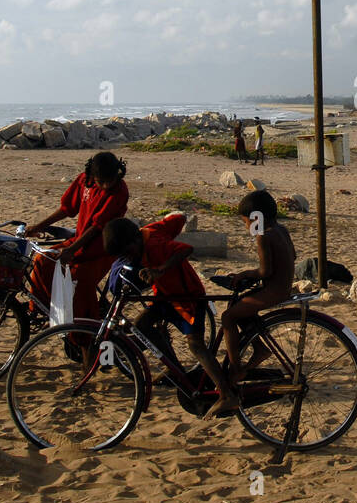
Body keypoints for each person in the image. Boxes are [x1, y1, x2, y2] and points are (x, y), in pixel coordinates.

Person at [101, 213, 237, 417]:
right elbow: (177, 220)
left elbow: (186, 249)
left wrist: (161, 270)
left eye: (128, 252)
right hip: (165, 296)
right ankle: (173, 368)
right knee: (141, 326)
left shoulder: (154, 244)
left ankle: (226, 395)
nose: (129, 258)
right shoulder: (148, 231)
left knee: (196, 345)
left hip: (187, 297)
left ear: (135, 240)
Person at [24, 152, 129, 329]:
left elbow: (98, 226)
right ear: (91, 176)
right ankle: (45, 311)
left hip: (102, 249)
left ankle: (86, 329)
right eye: (100, 181)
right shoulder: (84, 181)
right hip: (79, 241)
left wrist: (72, 249)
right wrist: (39, 226)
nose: (105, 186)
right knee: (42, 261)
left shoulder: (119, 191)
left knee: (79, 281)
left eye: (109, 181)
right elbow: (67, 208)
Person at [221, 191, 296, 386]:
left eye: (246, 221)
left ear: (256, 218)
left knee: (228, 317)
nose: (247, 226)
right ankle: (258, 347)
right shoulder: (282, 230)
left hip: (274, 291)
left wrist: (245, 274)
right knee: (241, 307)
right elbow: (291, 256)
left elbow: (265, 271)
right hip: (283, 286)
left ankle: (236, 369)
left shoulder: (263, 235)